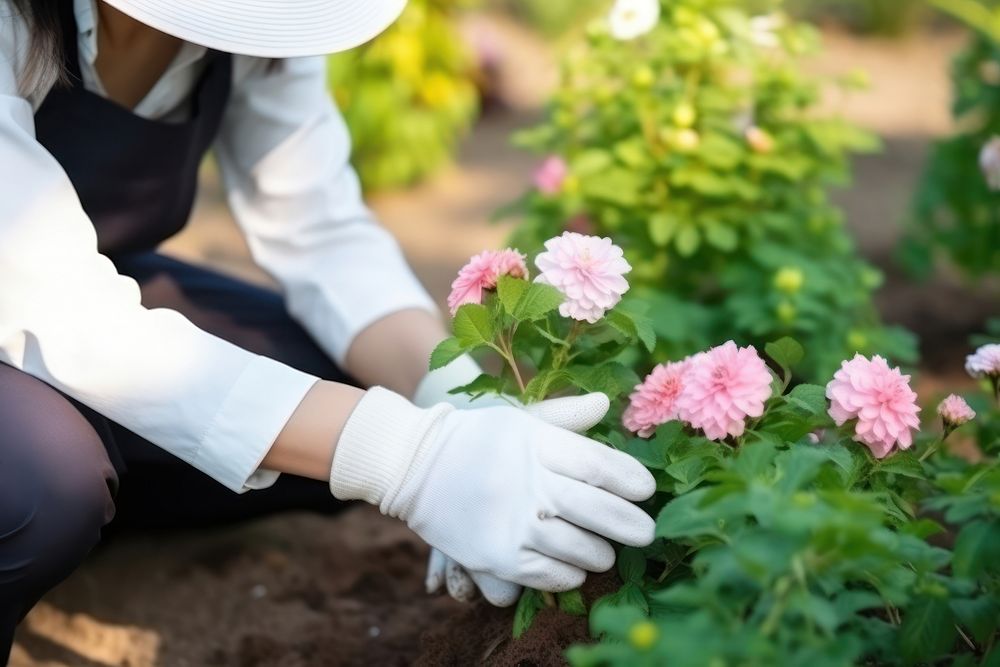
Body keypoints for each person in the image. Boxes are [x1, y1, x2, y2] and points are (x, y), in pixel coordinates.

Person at [0, 0, 656, 659]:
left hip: (91, 289)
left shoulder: (254, 23)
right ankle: (64, 504)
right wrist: (408, 460)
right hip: (39, 295)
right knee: (43, 483)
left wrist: (457, 404)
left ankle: (103, 492)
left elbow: (318, 230)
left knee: (346, 387)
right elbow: (57, 303)